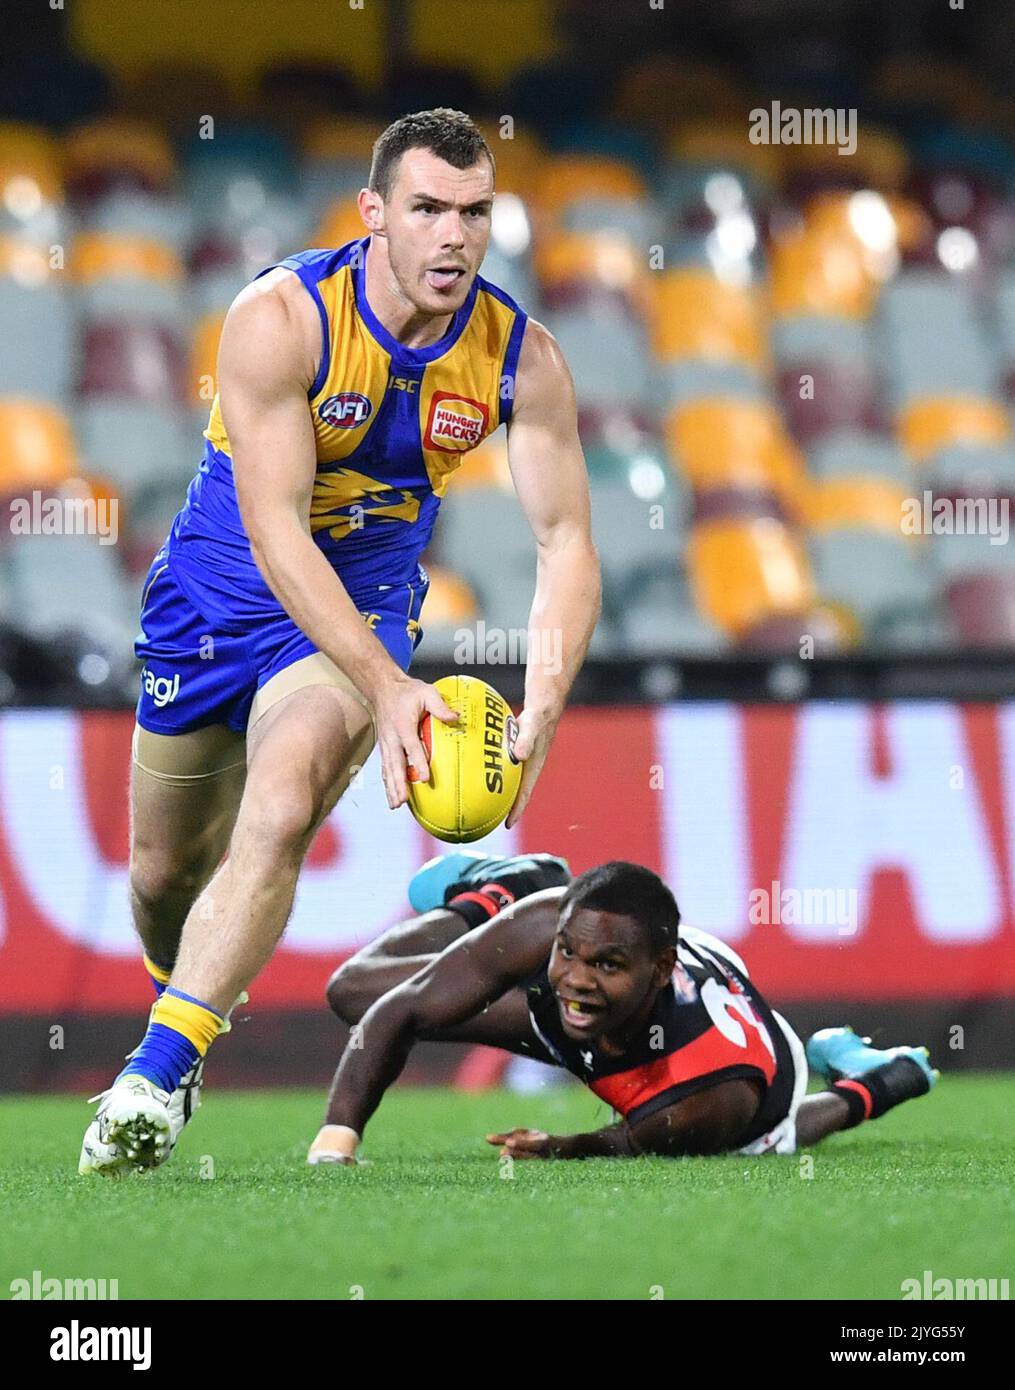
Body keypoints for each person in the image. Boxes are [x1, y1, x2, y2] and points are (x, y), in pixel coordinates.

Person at [78, 108, 600, 1177]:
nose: (454, 237)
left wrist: (539, 705)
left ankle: (155, 1077)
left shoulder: (521, 359)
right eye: (427, 210)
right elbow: (275, 528)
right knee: (160, 875)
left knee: (278, 804)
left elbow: (566, 541)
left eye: (474, 212)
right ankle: (184, 988)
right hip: (214, 603)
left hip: (353, 621)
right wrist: (391, 685)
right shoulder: (282, 318)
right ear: (374, 215)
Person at [308, 853, 937, 1164]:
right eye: (568, 954)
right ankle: (502, 889)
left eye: (606, 965)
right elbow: (396, 1013)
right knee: (353, 994)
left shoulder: (700, 1097)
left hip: (746, 1067)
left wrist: (559, 1146)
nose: (576, 981)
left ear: (659, 968)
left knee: (771, 1141)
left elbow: (623, 1141)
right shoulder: (548, 933)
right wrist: (335, 1145)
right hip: (617, 1019)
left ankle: (884, 1077)